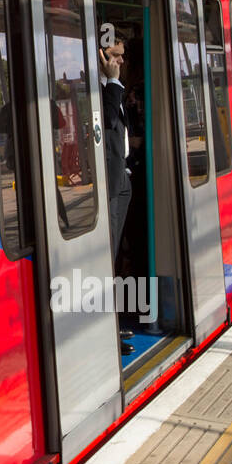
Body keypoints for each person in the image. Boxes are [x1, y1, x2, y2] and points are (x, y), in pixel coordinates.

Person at [99, 35, 135, 355]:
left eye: (122, 56)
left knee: (115, 257)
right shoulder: (101, 86)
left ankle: (115, 324)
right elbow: (107, 123)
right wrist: (112, 82)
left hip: (121, 177)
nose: (120, 61)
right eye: (114, 55)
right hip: (108, 184)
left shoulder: (113, 85)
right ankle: (108, 333)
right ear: (99, 54)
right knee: (105, 261)